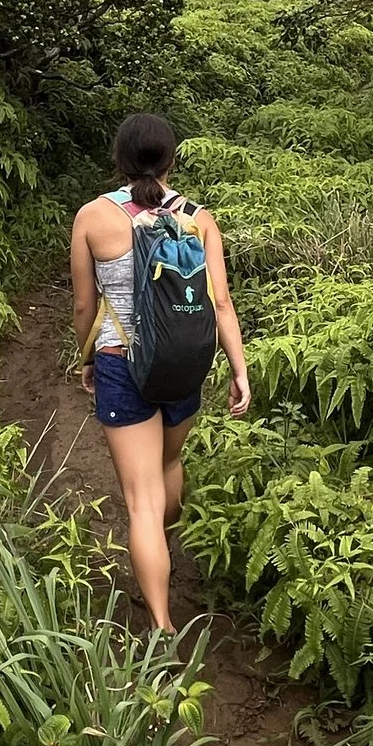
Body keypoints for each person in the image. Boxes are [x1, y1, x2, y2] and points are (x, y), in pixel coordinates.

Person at [69, 113, 249, 633]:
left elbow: (85, 306)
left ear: (119, 160)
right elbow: (221, 302)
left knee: (141, 501)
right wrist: (239, 370)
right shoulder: (199, 218)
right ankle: (162, 552)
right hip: (185, 362)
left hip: (121, 363)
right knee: (169, 464)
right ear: (172, 159)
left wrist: (86, 355)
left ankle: (163, 624)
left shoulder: (93, 218)